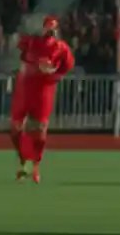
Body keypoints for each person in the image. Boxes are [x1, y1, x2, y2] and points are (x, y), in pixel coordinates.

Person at [10, 15, 75, 183]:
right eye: (48, 27)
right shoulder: (33, 42)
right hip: (25, 88)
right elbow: (20, 48)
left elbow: (67, 66)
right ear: (43, 28)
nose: (51, 31)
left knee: (39, 130)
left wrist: (54, 75)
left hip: (44, 90)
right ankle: (24, 161)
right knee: (16, 127)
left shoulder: (61, 48)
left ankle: (35, 165)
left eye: (54, 28)